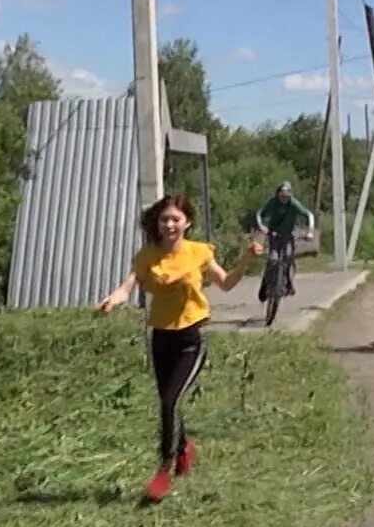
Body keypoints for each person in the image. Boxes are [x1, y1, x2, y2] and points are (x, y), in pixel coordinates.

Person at [96, 194, 261, 502]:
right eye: (164, 219)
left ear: (187, 223)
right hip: (161, 338)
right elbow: (127, 286)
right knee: (168, 400)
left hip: (190, 340)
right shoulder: (147, 256)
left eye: (175, 219)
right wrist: (112, 301)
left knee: (170, 401)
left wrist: (247, 258)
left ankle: (164, 467)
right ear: (157, 224)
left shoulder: (198, 252)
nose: (169, 224)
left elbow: (225, 283)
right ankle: (184, 448)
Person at [255, 181, 316, 300]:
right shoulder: (272, 203)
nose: (284, 198)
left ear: (290, 195)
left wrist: (310, 231)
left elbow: (309, 215)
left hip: (288, 236)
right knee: (273, 259)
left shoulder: (294, 204)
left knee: (288, 257)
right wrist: (261, 225)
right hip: (274, 235)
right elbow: (259, 213)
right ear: (277, 195)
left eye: (286, 196)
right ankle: (266, 284)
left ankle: (288, 283)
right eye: (281, 195)